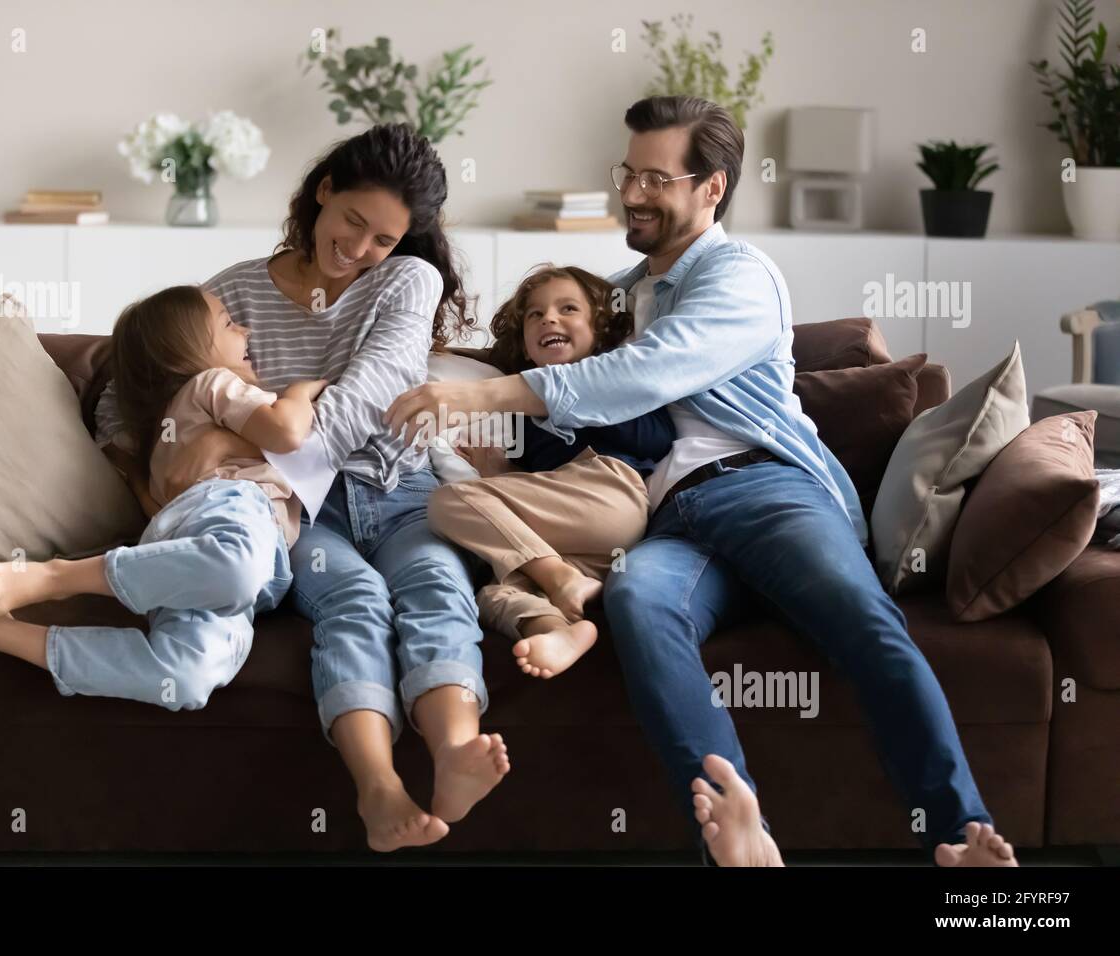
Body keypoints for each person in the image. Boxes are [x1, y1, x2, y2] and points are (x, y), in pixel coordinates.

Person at [386, 96, 1017, 867]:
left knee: (861, 617)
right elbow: (543, 344)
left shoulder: (740, 275)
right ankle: (737, 829)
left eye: (656, 177)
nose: (632, 192)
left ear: (712, 187)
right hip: (671, 521)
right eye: (628, 172)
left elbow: (642, 371)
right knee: (637, 602)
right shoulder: (617, 293)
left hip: (765, 488)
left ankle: (957, 832)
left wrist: (483, 396)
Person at [97, 124, 509, 852]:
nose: (359, 248)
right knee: (355, 601)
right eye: (353, 221)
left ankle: (453, 756)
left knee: (438, 583)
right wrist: (156, 485)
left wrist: (235, 435)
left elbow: (368, 398)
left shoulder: (406, 281)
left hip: (400, 489)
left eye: (383, 237)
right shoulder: (231, 296)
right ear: (324, 191)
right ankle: (378, 790)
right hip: (294, 514)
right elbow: (119, 402)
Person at [0, 284, 316, 713]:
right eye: (229, 324)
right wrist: (302, 392)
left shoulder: (162, 426)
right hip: (228, 510)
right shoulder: (214, 383)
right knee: (236, 568)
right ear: (187, 350)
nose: (245, 330)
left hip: (196, 555)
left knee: (184, 677)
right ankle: (54, 578)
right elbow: (289, 433)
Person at [427, 265, 672, 678]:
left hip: (610, 494)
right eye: (534, 315)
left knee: (448, 502)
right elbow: (535, 490)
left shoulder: (614, 382)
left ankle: (558, 579)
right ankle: (558, 629)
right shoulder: (518, 410)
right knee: (495, 593)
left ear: (600, 331)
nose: (549, 319)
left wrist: (578, 398)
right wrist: (501, 469)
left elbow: (655, 438)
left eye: (568, 308)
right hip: (570, 540)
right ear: (524, 345)